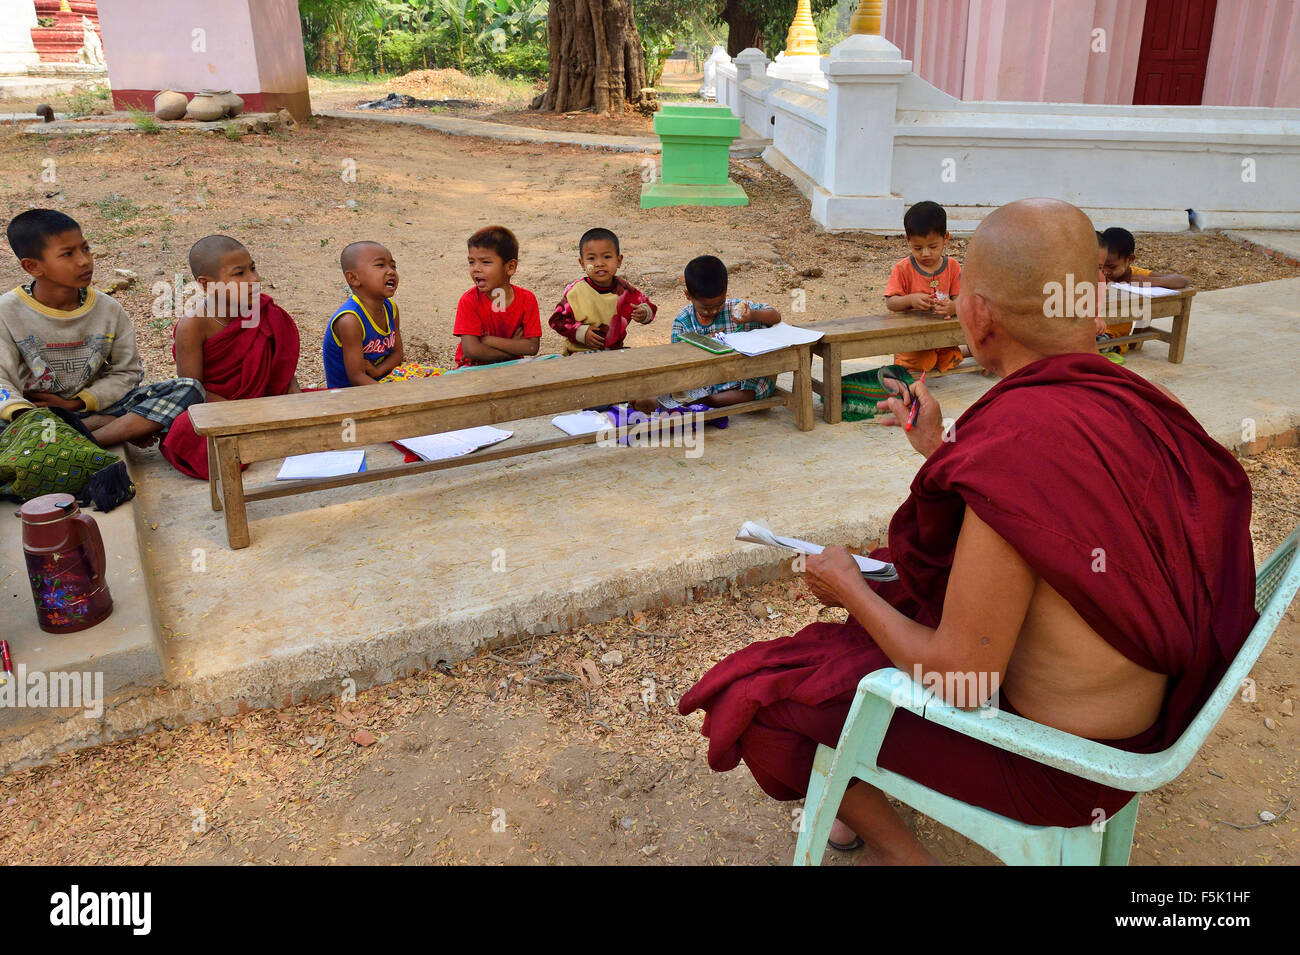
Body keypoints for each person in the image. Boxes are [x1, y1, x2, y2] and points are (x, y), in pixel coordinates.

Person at [678, 198, 1258, 865]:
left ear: (977, 315)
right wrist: (946, 449)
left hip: (1059, 766)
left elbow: (960, 676)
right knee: (866, 612)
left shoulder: (1017, 447)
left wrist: (846, 588)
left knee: (765, 695)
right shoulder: (1143, 405)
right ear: (1093, 299)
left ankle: (903, 854)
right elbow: (1060, 515)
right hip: (1140, 725)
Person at [0, 209, 202, 447]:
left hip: (95, 408)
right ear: (33, 267)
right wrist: (26, 416)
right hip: (34, 416)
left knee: (189, 388)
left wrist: (74, 404)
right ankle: (98, 431)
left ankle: (83, 442)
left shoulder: (108, 309)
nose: (84, 260)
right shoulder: (7, 312)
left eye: (85, 248)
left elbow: (127, 372)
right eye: (67, 254)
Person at [159, 235, 302, 479]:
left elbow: (283, 371)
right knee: (185, 429)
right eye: (239, 274)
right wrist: (249, 414)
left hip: (267, 404)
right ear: (206, 284)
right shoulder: (193, 325)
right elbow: (192, 391)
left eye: (253, 269)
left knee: (328, 405)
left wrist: (296, 403)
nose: (254, 280)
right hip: (221, 411)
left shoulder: (266, 312)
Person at [655, 255, 781, 411]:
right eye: (706, 308)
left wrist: (753, 315)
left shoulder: (736, 308)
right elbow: (677, 356)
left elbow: (775, 316)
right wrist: (703, 342)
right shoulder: (683, 320)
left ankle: (707, 402)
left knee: (758, 386)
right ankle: (703, 401)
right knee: (676, 387)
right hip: (702, 382)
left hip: (741, 378)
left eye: (719, 304)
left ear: (725, 292)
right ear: (688, 296)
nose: (713, 310)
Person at [322, 241, 443, 389]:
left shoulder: (391, 309)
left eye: (393, 266)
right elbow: (356, 377)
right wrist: (389, 394)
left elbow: (398, 354)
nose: (391, 271)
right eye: (380, 265)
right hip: (350, 393)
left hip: (382, 379)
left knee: (441, 380)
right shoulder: (350, 320)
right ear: (353, 278)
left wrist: (377, 370)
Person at [884, 201, 965, 374]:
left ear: (946, 238)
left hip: (942, 336)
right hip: (911, 337)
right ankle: (904, 358)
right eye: (918, 248)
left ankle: (959, 352)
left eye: (933, 246)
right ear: (908, 240)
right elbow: (891, 302)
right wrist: (910, 300)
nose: (926, 253)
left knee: (952, 360)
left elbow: (961, 299)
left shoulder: (953, 266)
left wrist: (954, 307)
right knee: (920, 364)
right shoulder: (903, 268)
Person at [549, 227, 656, 354]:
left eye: (607, 256)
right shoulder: (575, 292)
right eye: (592, 258)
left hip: (614, 352)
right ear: (582, 263)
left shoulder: (624, 290)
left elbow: (648, 306)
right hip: (579, 353)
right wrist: (580, 332)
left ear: (619, 260)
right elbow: (557, 321)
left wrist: (644, 312)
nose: (599, 263)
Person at [453, 226, 541, 368]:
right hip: (474, 370)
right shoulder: (469, 300)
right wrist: (512, 350)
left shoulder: (526, 299)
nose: (476, 268)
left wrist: (487, 340)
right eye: (471, 262)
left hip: (513, 367)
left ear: (510, 267)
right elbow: (471, 350)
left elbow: (531, 347)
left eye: (485, 262)